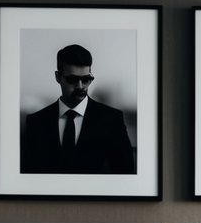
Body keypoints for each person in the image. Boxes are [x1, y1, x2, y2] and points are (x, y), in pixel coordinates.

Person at [21, 44, 135, 175]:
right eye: (72, 80)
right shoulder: (36, 122)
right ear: (58, 77)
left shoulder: (112, 119)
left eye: (86, 79)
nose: (80, 86)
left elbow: (125, 175)